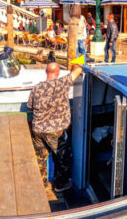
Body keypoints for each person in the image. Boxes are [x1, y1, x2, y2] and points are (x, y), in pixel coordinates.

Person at [29, 58, 85, 191]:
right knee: (64, 158)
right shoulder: (62, 83)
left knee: (40, 159)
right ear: (58, 72)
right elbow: (78, 69)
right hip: (55, 131)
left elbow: (31, 106)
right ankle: (60, 185)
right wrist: (76, 60)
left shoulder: (36, 88)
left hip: (37, 130)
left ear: (45, 71)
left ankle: (41, 186)